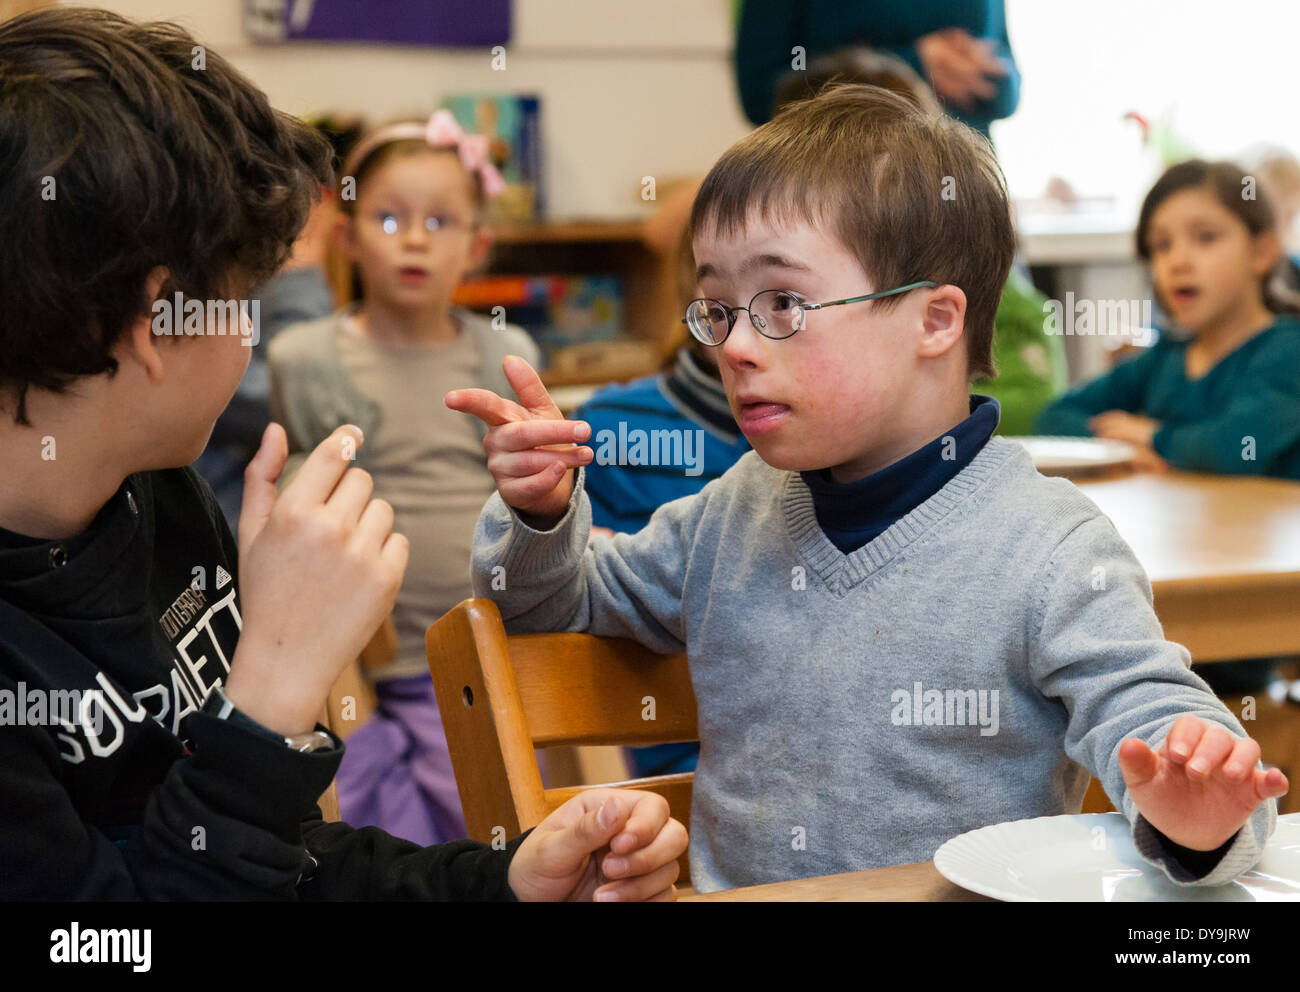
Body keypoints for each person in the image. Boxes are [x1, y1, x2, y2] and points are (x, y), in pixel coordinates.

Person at [448, 84, 1286, 894]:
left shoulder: (1051, 548)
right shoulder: (730, 511)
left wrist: (1199, 809)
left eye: (781, 303)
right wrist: (541, 513)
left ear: (935, 321)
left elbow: (1161, 725)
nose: (736, 345)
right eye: (717, 309)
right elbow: (544, 610)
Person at [0, 6, 685, 901]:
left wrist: (503, 884)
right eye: (252, 296)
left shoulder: (158, 499)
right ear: (160, 323)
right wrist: (271, 698)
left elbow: (289, 869)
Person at [268, 113, 540, 846]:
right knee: (368, 812)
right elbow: (305, 485)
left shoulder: (502, 351)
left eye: (440, 221)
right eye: (389, 218)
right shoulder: (308, 356)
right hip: (358, 650)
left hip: (481, 649)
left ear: (476, 246)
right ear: (348, 239)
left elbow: (529, 485)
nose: (415, 238)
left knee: (477, 826)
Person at [1034, 160, 1300, 480]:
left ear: (1262, 252)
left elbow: (1239, 448)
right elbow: (1055, 418)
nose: (1177, 261)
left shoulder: (1288, 349)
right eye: (1162, 245)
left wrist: (1153, 437)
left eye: (1205, 237)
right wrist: (1128, 450)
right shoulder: (1166, 354)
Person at [735, 0, 1019, 137]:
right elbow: (759, 91)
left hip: (967, 195)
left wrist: (987, 81)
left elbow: (1008, 86)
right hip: (847, 186)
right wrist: (914, 64)